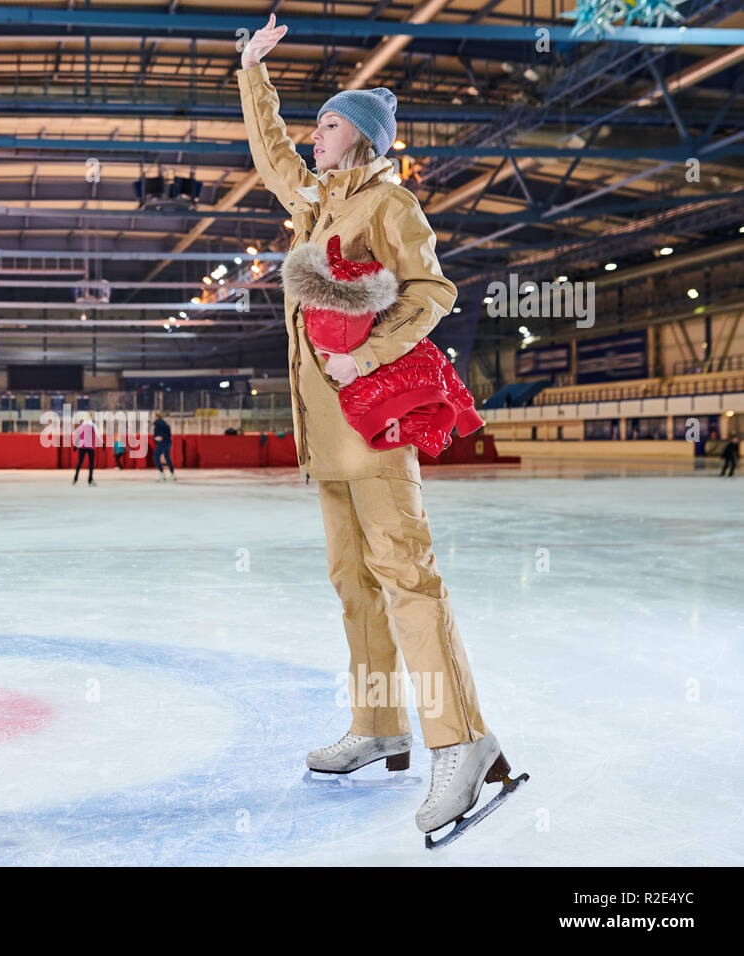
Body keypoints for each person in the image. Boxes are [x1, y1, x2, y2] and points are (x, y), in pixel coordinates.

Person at [239, 14, 518, 841]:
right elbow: (270, 155)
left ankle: (462, 740)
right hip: (321, 432)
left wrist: (372, 356)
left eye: (325, 123)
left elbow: (433, 293)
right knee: (352, 581)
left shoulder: (389, 204)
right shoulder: (316, 201)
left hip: (372, 422)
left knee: (407, 579)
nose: (311, 135)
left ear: (359, 138)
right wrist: (254, 73)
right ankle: (379, 724)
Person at [72, 413, 97, 485]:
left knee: (79, 463)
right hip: (90, 447)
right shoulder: (92, 425)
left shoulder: (82, 426)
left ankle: (75, 478)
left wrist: (76, 445)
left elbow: (79, 436)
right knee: (91, 464)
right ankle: (90, 479)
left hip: (82, 446)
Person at [152, 413, 176, 481]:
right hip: (168, 442)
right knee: (167, 458)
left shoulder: (158, 423)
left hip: (163, 442)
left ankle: (162, 473)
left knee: (156, 457)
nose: (152, 419)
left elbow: (158, 436)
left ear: (156, 417)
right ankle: (172, 474)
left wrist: (156, 438)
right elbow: (168, 433)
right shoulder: (164, 423)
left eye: (153, 417)